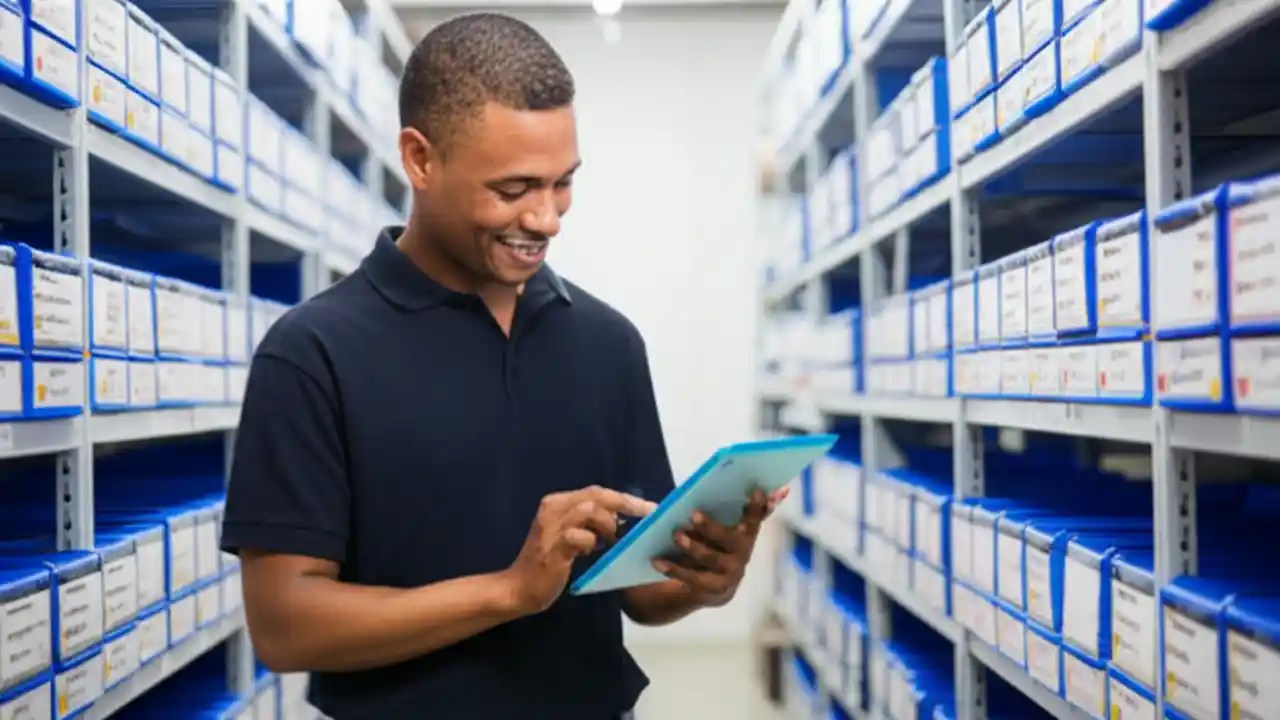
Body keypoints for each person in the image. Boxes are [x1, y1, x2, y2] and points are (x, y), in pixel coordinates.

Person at [220, 12, 784, 719]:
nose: (547, 218)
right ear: (420, 160)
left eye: (562, 183)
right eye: (514, 189)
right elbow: (284, 627)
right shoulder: (312, 354)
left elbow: (642, 592)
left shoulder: (608, 343)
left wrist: (712, 575)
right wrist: (509, 592)